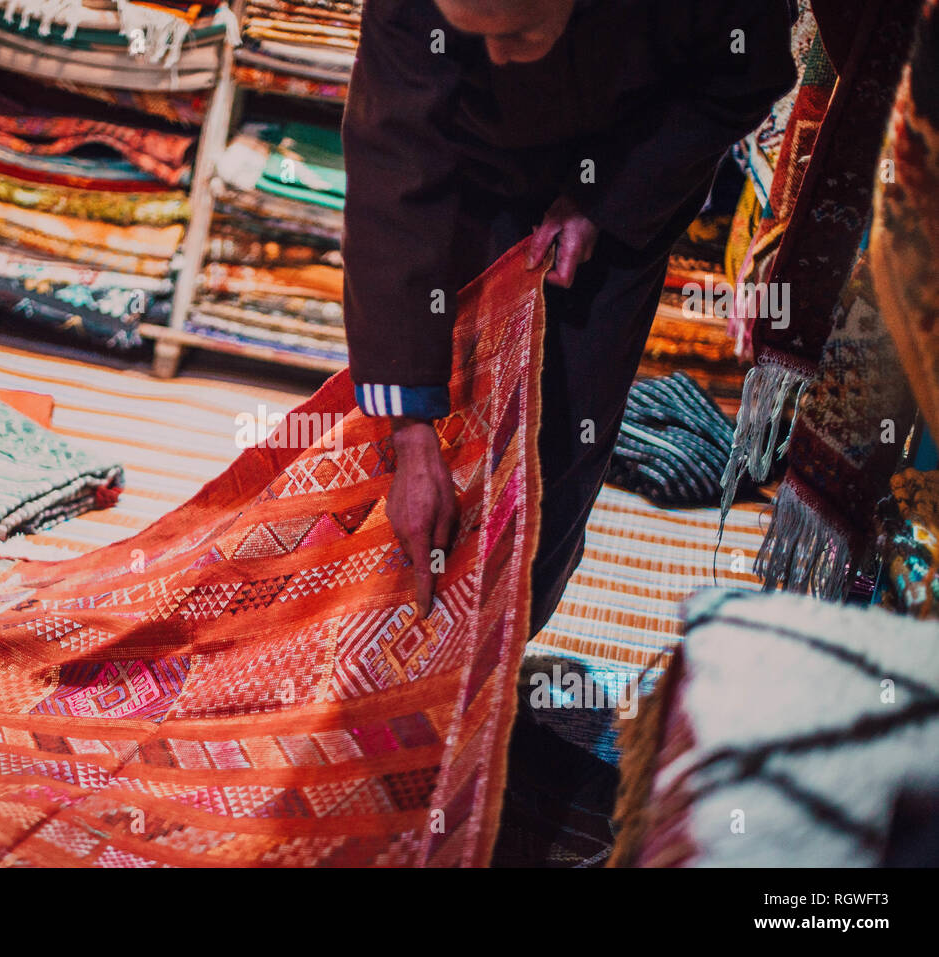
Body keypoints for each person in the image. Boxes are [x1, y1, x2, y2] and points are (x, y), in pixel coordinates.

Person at [342, 0, 798, 634]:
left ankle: (497, 670)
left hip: (625, 166)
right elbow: (392, 172)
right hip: (472, 168)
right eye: (478, 38)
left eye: (519, 34)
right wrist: (411, 434)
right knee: (438, 420)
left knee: (555, 455)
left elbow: (746, 78)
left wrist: (603, 199)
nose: (499, 58)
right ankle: (407, 662)